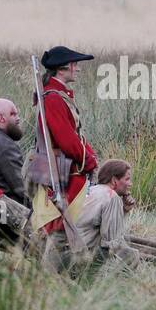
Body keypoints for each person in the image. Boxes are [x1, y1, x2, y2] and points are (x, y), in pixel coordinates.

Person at [28, 46, 99, 269]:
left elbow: (74, 136)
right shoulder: (54, 99)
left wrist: (89, 155)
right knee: (59, 229)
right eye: (75, 65)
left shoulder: (55, 95)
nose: (78, 69)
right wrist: (90, 162)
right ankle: (52, 277)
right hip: (64, 173)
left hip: (63, 170)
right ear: (63, 68)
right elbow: (68, 142)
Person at [73, 159, 140, 268]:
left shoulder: (93, 190)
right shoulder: (112, 197)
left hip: (70, 250)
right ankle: (103, 282)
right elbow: (112, 241)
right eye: (127, 179)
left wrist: (124, 211)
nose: (130, 184)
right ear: (114, 180)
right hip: (81, 258)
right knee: (132, 255)